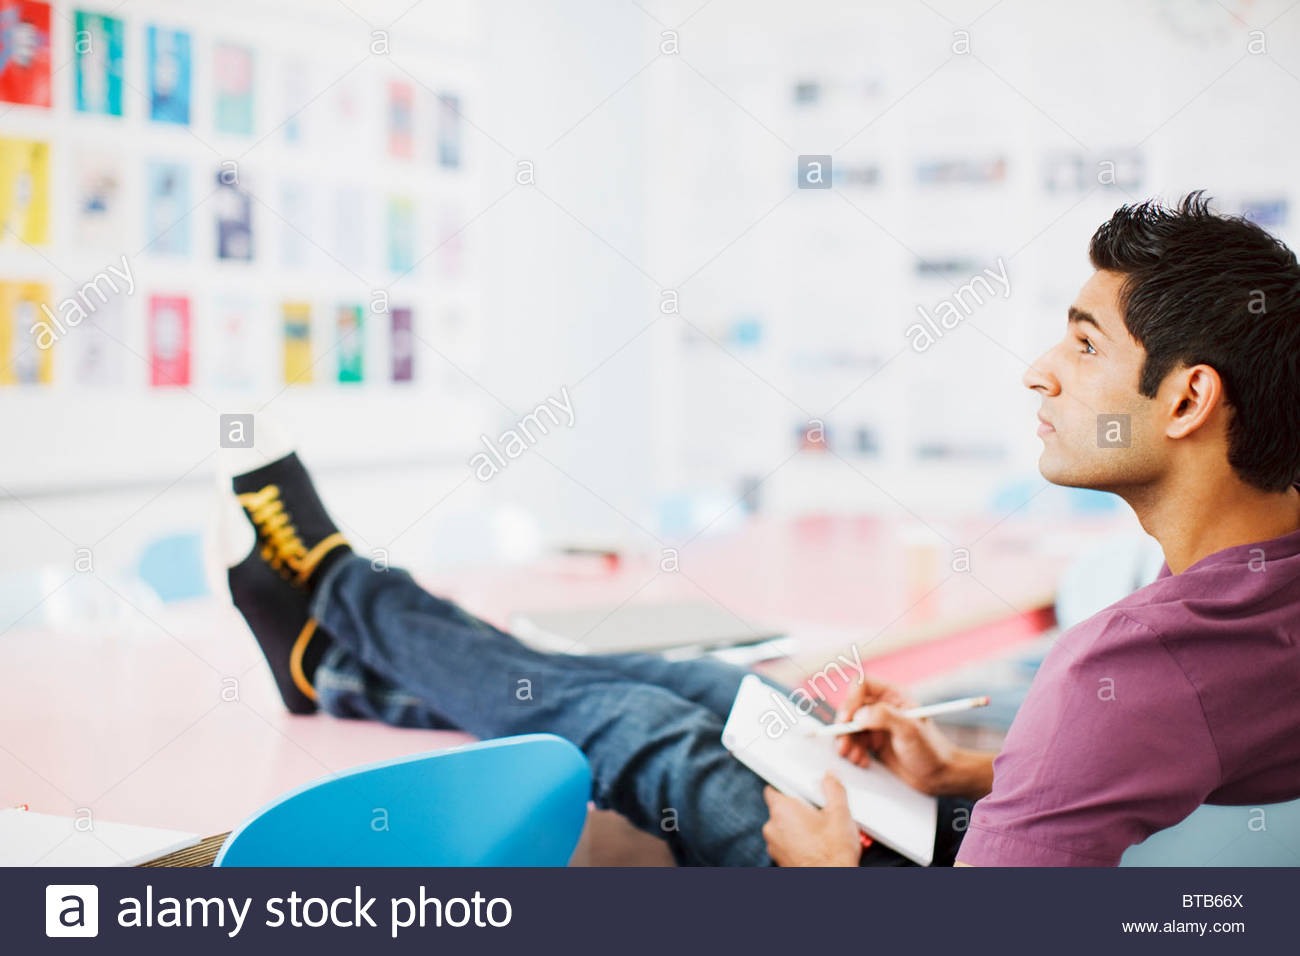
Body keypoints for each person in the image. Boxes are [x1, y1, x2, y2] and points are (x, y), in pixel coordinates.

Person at [220, 194, 1300, 866]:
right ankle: (338, 662)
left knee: (632, 718)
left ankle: (336, 582)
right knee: (709, 688)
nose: (1039, 371)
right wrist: (970, 771)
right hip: (977, 835)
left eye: (1084, 343)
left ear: (1187, 398)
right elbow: (1148, 752)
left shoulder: (1122, 666)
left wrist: (826, 875)